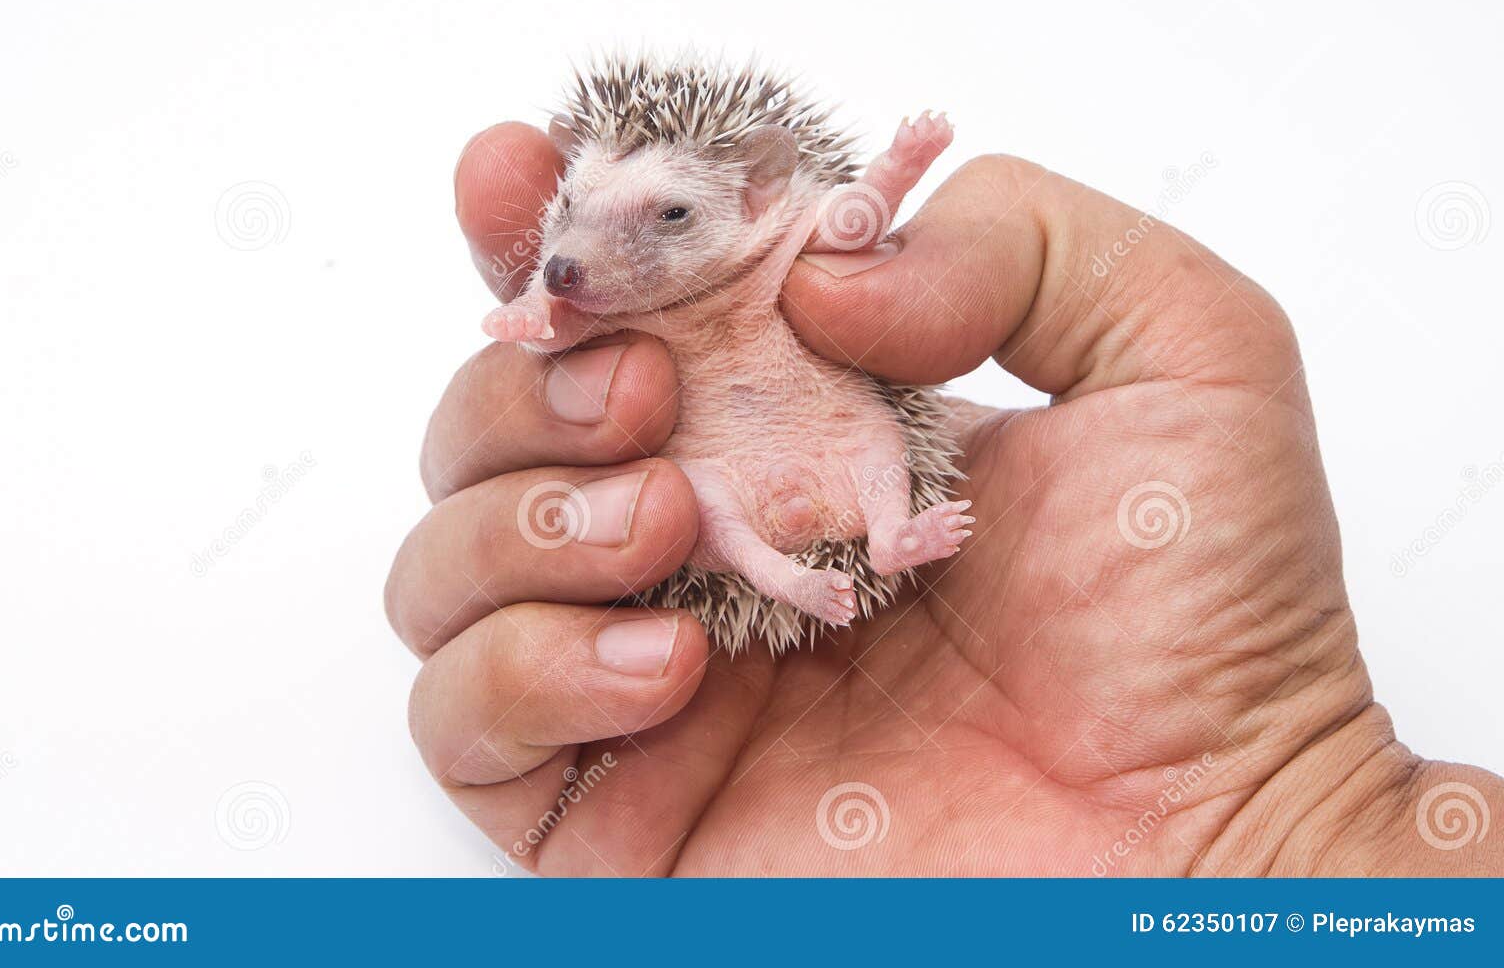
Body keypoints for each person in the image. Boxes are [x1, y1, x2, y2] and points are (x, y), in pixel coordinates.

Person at [384, 123, 1502, 876]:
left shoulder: (785, 232)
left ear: (757, 193)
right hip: (730, 489)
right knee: (698, 506)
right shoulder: (605, 277)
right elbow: (560, 291)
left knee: (871, 438)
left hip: (832, 444)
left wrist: (1273, 812)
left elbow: (854, 224)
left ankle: (884, 529)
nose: (579, 257)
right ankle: (781, 572)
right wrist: (535, 319)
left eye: (666, 219)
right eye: (578, 216)